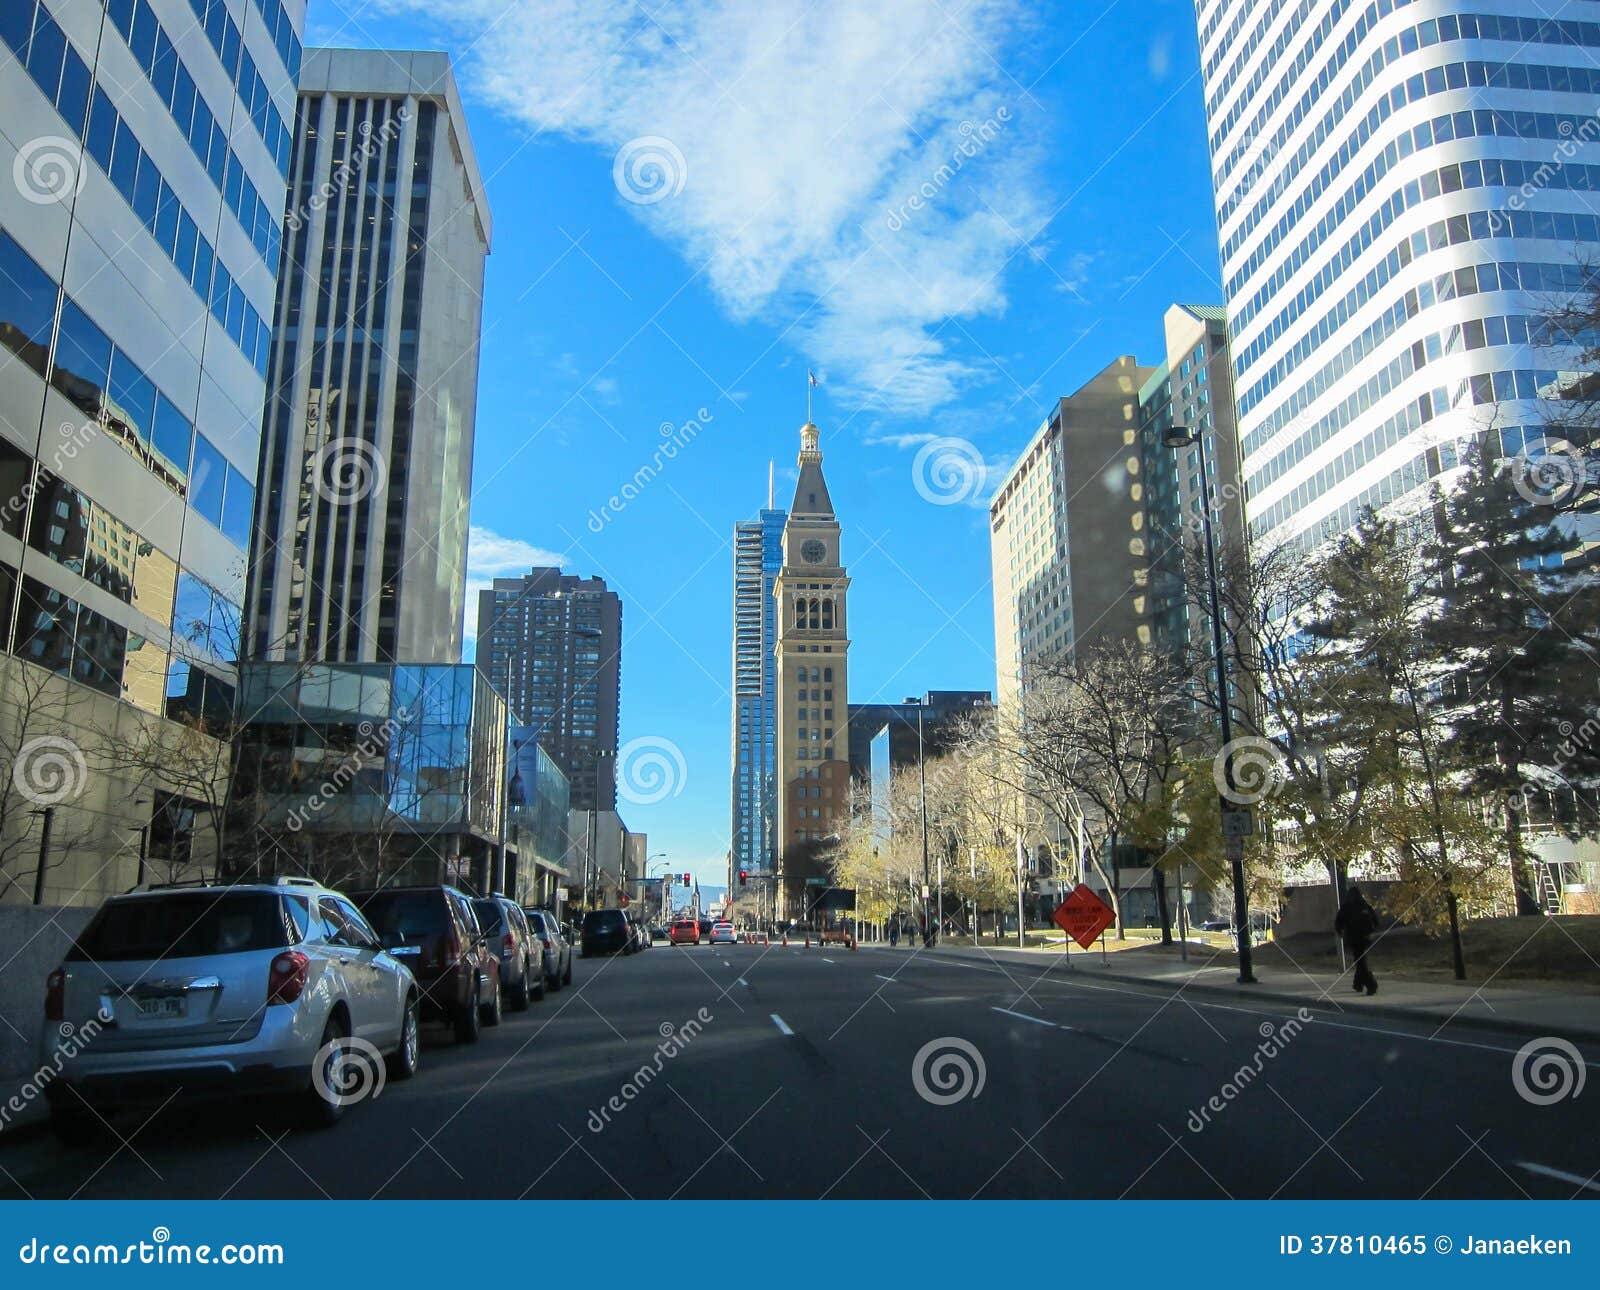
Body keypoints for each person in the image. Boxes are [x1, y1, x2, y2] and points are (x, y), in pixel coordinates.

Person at [1334, 884, 1379, 995]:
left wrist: (1340, 932)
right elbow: (1376, 921)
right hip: (1365, 938)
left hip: (1354, 938)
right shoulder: (1365, 905)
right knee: (1360, 961)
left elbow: (1338, 922)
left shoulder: (1347, 907)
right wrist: (1371, 931)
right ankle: (1357, 984)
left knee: (1360, 962)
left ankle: (1371, 985)